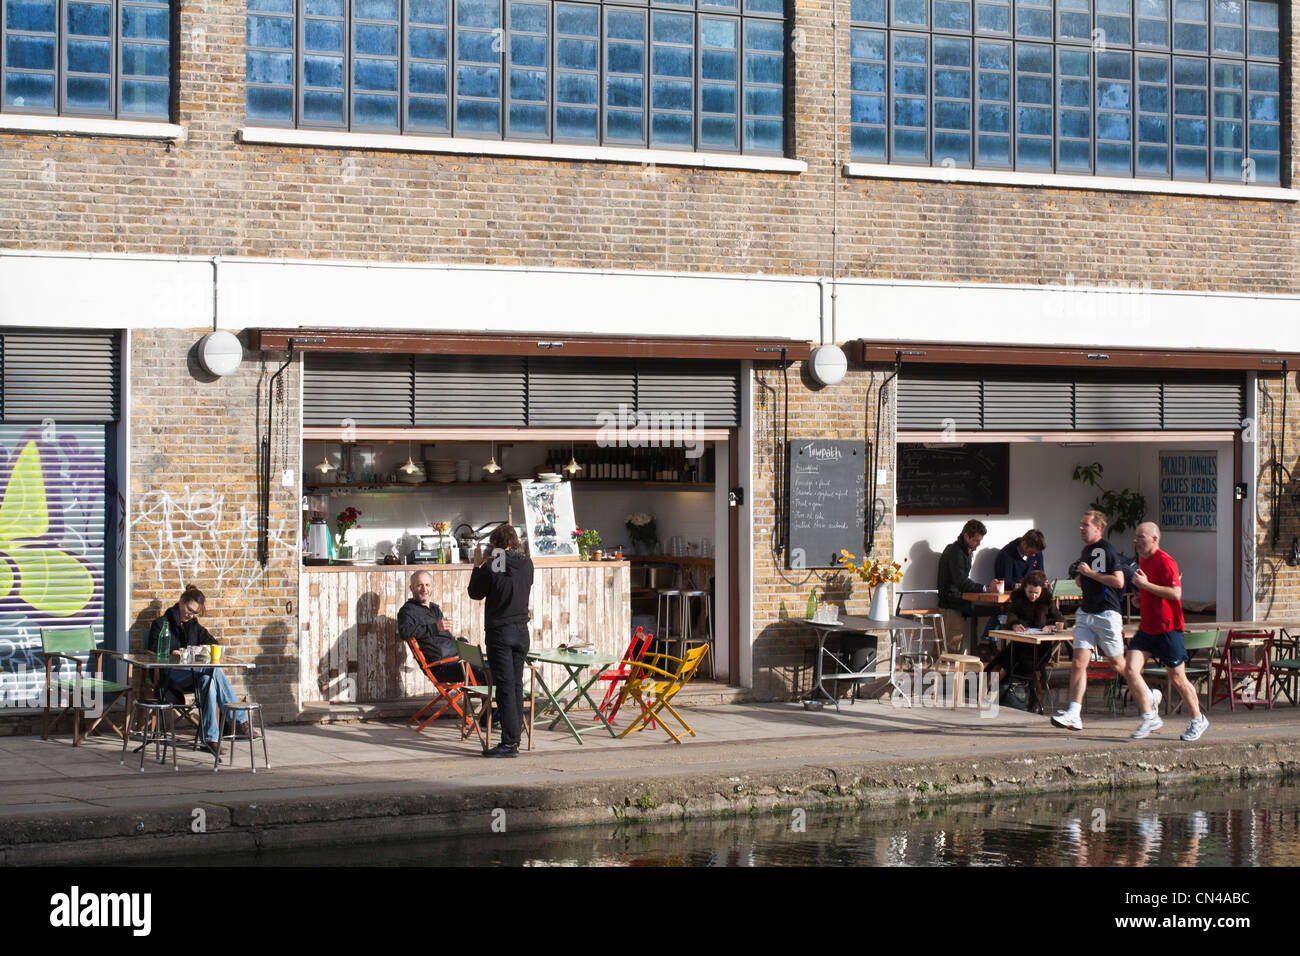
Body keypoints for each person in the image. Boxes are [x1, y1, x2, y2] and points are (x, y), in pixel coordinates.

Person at [1125, 522, 1209, 741]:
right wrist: (1140, 598)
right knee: (1130, 669)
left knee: (1178, 678)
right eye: (1135, 536)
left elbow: (1175, 593)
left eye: (1140, 537)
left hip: (1168, 628)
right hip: (1147, 627)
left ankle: (1198, 719)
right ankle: (1149, 715)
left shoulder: (1166, 561)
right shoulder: (1143, 560)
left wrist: (1145, 586)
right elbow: (1150, 591)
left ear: (1154, 539)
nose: (1136, 540)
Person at [1051, 511, 1131, 731]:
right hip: (1086, 612)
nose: (1081, 528)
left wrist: (1090, 574)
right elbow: (1090, 575)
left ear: (1098, 528)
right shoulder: (1087, 551)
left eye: (1085, 525)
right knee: (1078, 662)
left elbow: (1118, 581)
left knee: (1118, 664)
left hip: (1106, 613)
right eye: (1080, 524)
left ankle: (1147, 693)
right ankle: (1074, 713)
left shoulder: (1106, 549)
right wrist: (1082, 578)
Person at [145, 586, 240, 757]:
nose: (191, 615)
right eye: (189, 610)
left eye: (195, 613)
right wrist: (171, 654)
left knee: (209, 680)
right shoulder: (161, 624)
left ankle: (210, 739)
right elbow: (152, 652)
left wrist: (199, 649)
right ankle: (238, 719)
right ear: (181, 602)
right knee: (212, 672)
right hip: (169, 676)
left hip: (192, 676)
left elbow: (215, 644)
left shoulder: (194, 626)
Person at [467, 525, 534, 758]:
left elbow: (475, 592)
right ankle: (514, 739)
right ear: (514, 542)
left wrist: (477, 565)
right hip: (521, 633)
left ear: (494, 543)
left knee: (505, 688)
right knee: (515, 685)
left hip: (500, 634)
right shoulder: (527, 563)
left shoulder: (496, 562)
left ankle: (509, 744)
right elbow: (511, 577)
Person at [986, 570, 1064, 710]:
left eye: (1036, 593)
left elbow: (1059, 619)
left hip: (1041, 646)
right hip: (1021, 643)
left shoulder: (1046, 599)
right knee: (1002, 661)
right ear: (1025, 588)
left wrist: (1051, 626)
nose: (1033, 596)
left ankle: (1036, 702)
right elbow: (1012, 616)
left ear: (1041, 591)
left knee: (1029, 664)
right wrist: (1015, 625)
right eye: (1030, 592)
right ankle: (986, 693)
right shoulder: (1018, 598)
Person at [937, 519, 1001, 654]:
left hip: (951, 601)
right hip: (952, 603)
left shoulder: (961, 549)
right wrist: (986, 588)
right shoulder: (956, 552)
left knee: (944, 645)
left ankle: (939, 672)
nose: (978, 544)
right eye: (976, 540)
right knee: (951, 645)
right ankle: (946, 674)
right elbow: (961, 581)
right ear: (966, 536)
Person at [981, 528, 1047, 647]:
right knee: (1006, 610)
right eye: (1032, 552)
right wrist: (1022, 585)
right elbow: (1004, 581)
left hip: (1032, 596)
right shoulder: (1006, 555)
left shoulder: (1037, 553)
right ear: (1024, 544)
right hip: (1014, 597)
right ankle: (987, 642)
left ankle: (1045, 646)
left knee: (1050, 609)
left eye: (1036, 553)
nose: (1034, 556)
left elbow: (1041, 574)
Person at [398, 571, 463, 682]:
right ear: (411, 588)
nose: (424, 589)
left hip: (458, 656)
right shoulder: (407, 611)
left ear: (432, 587)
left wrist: (460, 642)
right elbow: (404, 632)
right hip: (442, 666)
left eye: (427, 585)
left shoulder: (434, 608)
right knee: (493, 669)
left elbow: (444, 637)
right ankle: (490, 698)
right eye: (419, 585)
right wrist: (435, 627)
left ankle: (487, 698)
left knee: (496, 660)